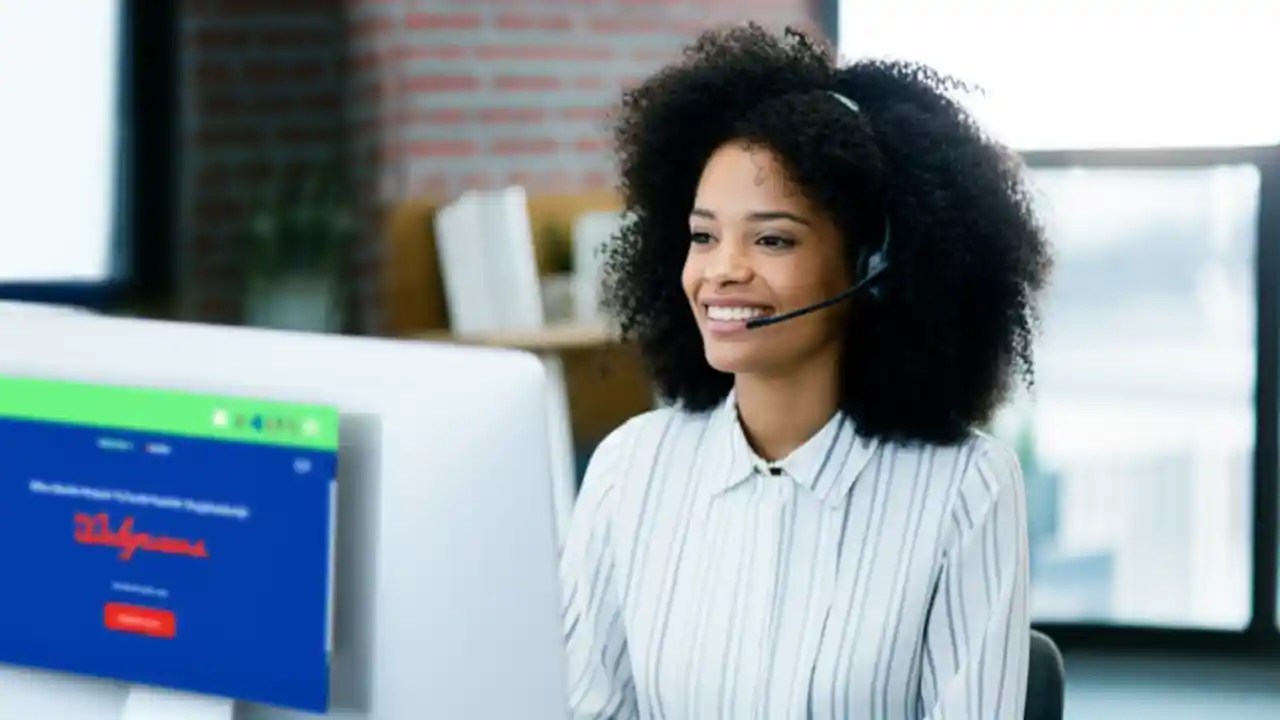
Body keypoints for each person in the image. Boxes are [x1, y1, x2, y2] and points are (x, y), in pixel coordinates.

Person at [560, 22, 1051, 720]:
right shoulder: (628, 469)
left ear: (871, 264)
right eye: (703, 236)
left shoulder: (964, 488)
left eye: (772, 238)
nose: (722, 269)